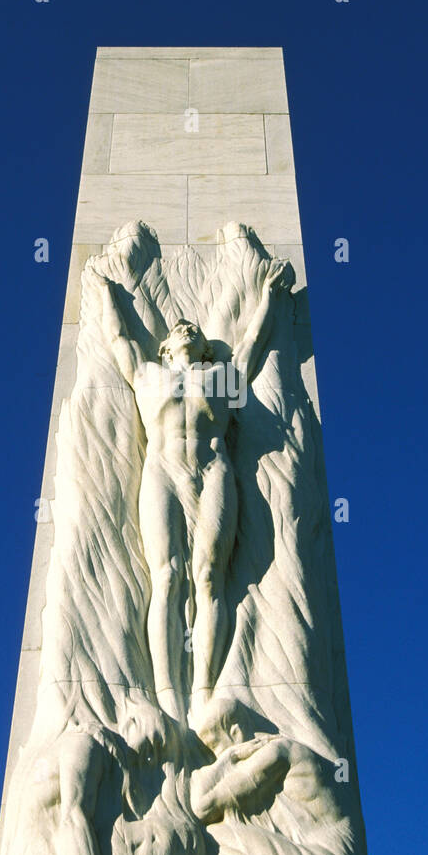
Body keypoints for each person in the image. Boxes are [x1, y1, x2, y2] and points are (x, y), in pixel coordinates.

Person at [92, 257, 293, 725]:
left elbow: (249, 345)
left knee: (207, 576)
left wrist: (270, 295)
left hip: (212, 469)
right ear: (164, 348)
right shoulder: (148, 376)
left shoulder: (219, 377)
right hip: (162, 470)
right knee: (167, 575)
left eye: (193, 328)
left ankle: (202, 693)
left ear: (203, 346)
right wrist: (102, 289)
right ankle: (166, 699)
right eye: (179, 327)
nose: (186, 327)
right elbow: (118, 338)